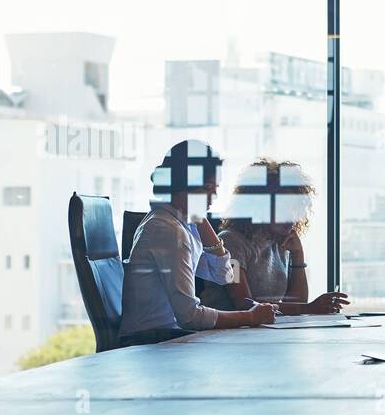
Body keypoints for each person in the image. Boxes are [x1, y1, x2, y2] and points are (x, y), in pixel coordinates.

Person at [119, 140, 278, 345]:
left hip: (170, 338)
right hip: (153, 342)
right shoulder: (167, 231)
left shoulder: (184, 225)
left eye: (215, 188)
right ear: (184, 185)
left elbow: (225, 276)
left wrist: (200, 218)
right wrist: (250, 317)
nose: (214, 196)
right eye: (207, 188)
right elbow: (190, 316)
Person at [200, 158, 348, 315]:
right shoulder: (231, 242)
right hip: (226, 334)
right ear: (259, 206)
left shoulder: (281, 243)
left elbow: (297, 302)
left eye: (295, 207)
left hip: (263, 332)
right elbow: (243, 303)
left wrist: (298, 255)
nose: (292, 216)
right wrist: (310, 308)